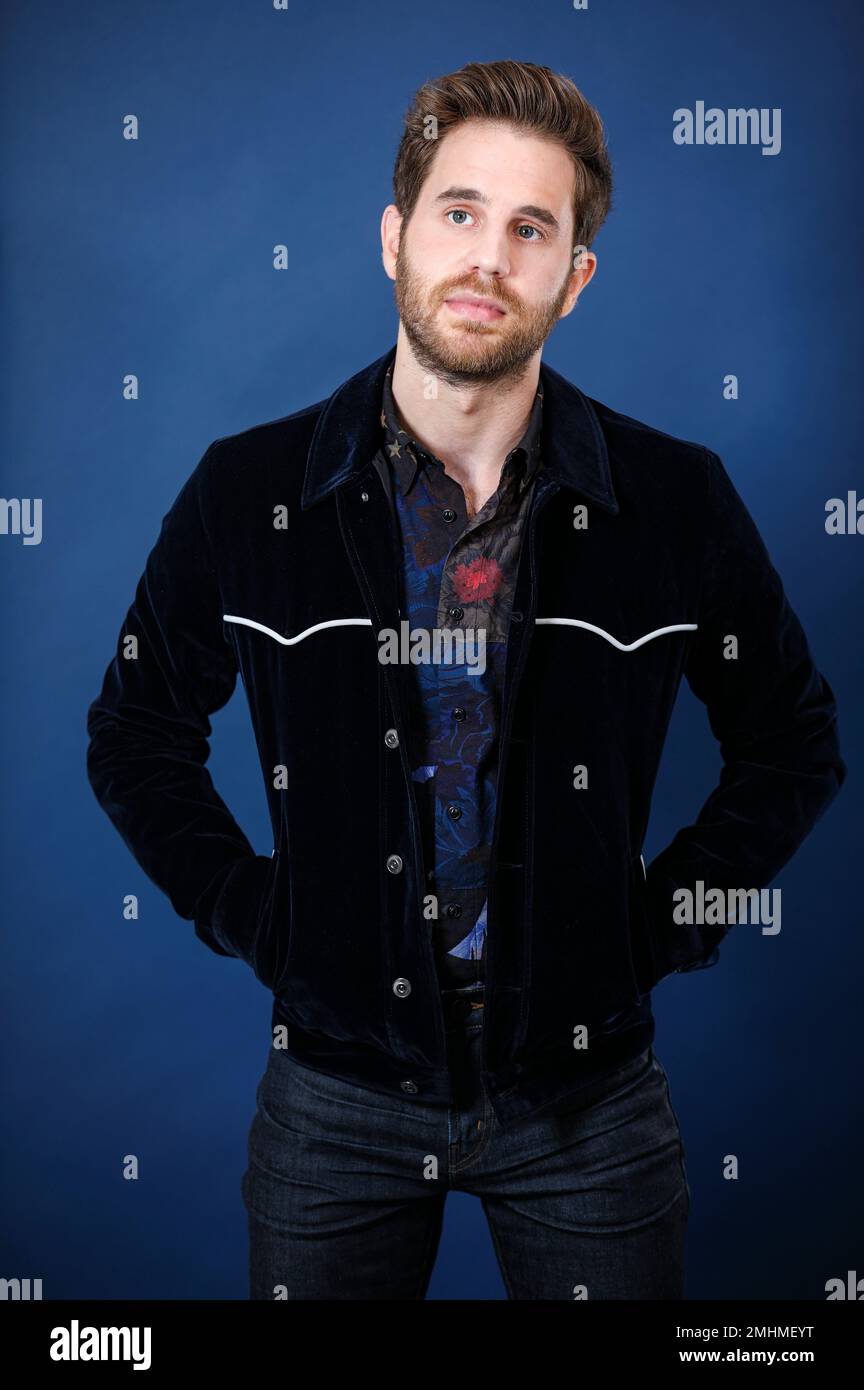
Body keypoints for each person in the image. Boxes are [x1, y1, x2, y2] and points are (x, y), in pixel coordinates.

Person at [85, 59, 846, 1300]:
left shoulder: (675, 500)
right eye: (458, 211)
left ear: (573, 277)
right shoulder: (248, 492)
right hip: (336, 1096)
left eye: (529, 229)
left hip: (589, 1104)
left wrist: (661, 925)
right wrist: (257, 915)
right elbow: (134, 733)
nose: (487, 258)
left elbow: (794, 742)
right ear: (394, 235)